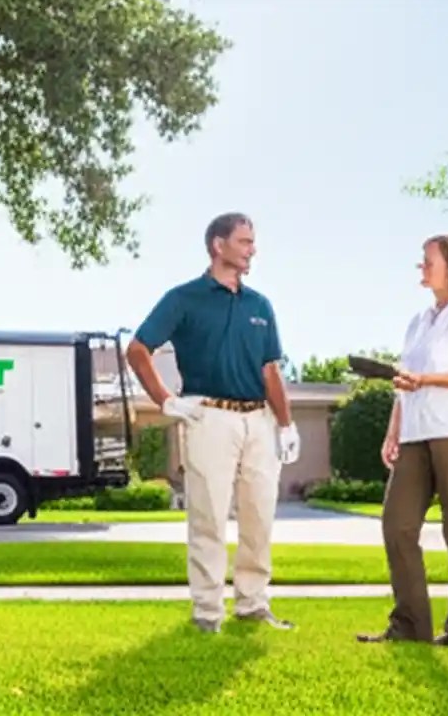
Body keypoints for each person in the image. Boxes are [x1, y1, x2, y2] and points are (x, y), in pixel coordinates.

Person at [126, 212, 300, 634]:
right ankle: (207, 612)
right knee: (208, 517)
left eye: (252, 242)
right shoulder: (183, 299)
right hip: (210, 419)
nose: (252, 249)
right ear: (218, 245)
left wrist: (286, 424)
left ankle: (253, 604)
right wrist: (165, 400)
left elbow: (270, 370)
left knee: (259, 515)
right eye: (244, 241)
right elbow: (138, 349)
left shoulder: (260, 305)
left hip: (258, 421)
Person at [357, 234, 448, 648]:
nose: (421, 268)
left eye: (428, 262)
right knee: (397, 525)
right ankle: (410, 626)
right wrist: (394, 432)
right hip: (417, 435)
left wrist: (425, 379)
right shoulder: (420, 321)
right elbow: (405, 381)